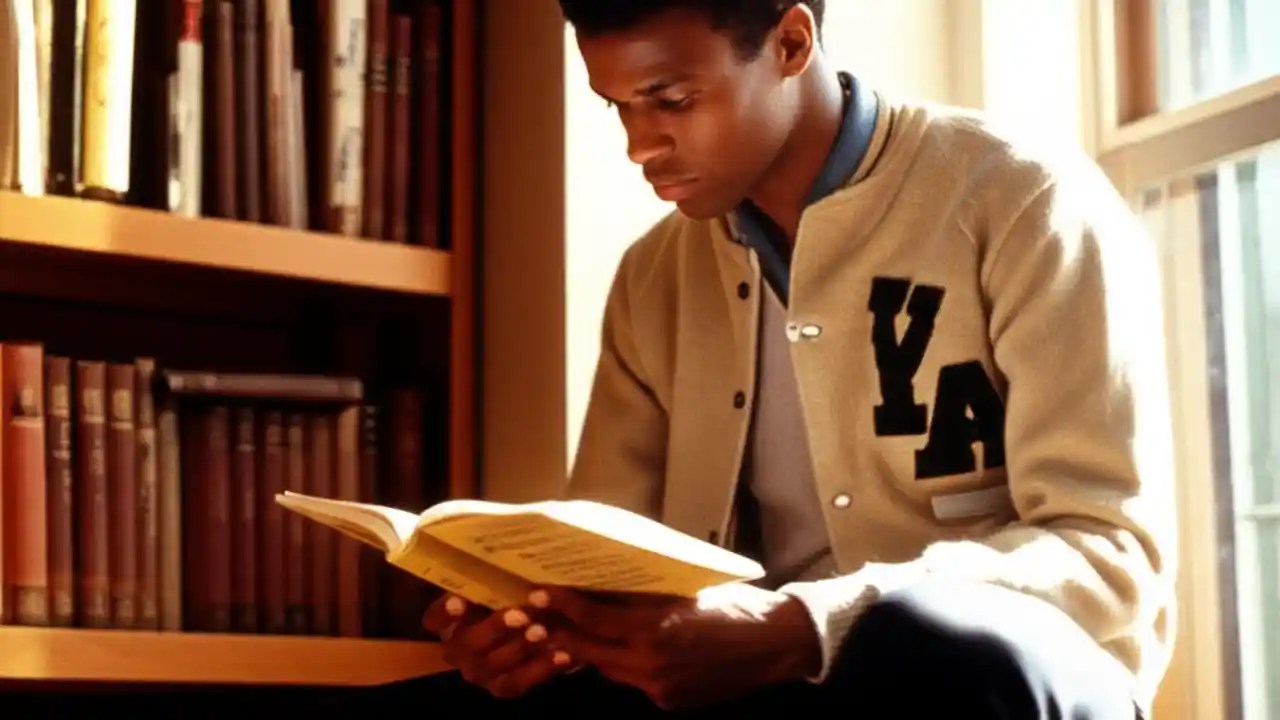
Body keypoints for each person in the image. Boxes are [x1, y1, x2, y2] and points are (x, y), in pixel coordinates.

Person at [347, 1, 1178, 717]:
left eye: (671, 100)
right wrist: (544, 628)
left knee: (928, 642)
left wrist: (800, 626)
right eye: (617, 107)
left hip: (1009, 677)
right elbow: (605, 558)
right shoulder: (654, 277)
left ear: (790, 43)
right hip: (750, 688)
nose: (639, 144)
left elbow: (1108, 552)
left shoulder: (1024, 200)